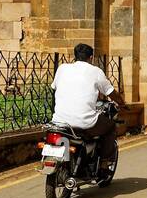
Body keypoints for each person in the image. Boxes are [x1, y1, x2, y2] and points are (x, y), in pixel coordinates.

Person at [51, 43, 125, 175]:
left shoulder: (62, 68)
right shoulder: (95, 71)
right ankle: (103, 164)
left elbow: (55, 87)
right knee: (110, 127)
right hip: (84, 122)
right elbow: (111, 93)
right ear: (91, 58)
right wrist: (122, 103)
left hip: (59, 121)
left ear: (75, 56)